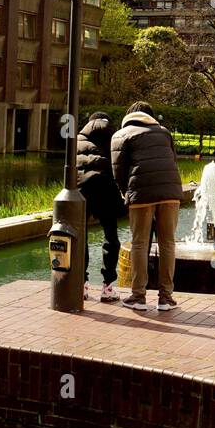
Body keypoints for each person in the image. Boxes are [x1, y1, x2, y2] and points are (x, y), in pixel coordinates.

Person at [110, 101, 182, 312]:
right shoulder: (164, 132)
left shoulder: (121, 135)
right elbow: (173, 161)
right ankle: (166, 298)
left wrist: (126, 192)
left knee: (140, 244)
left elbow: (118, 170)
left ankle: (139, 297)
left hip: (141, 192)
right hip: (170, 192)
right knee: (168, 243)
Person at [75, 111, 123, 302]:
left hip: (81, 191)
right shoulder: (114, 136)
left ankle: (81, 285)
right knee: (111, 236)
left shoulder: (77, 138)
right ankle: (108, 287)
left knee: (81, 237)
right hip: (106, 188)